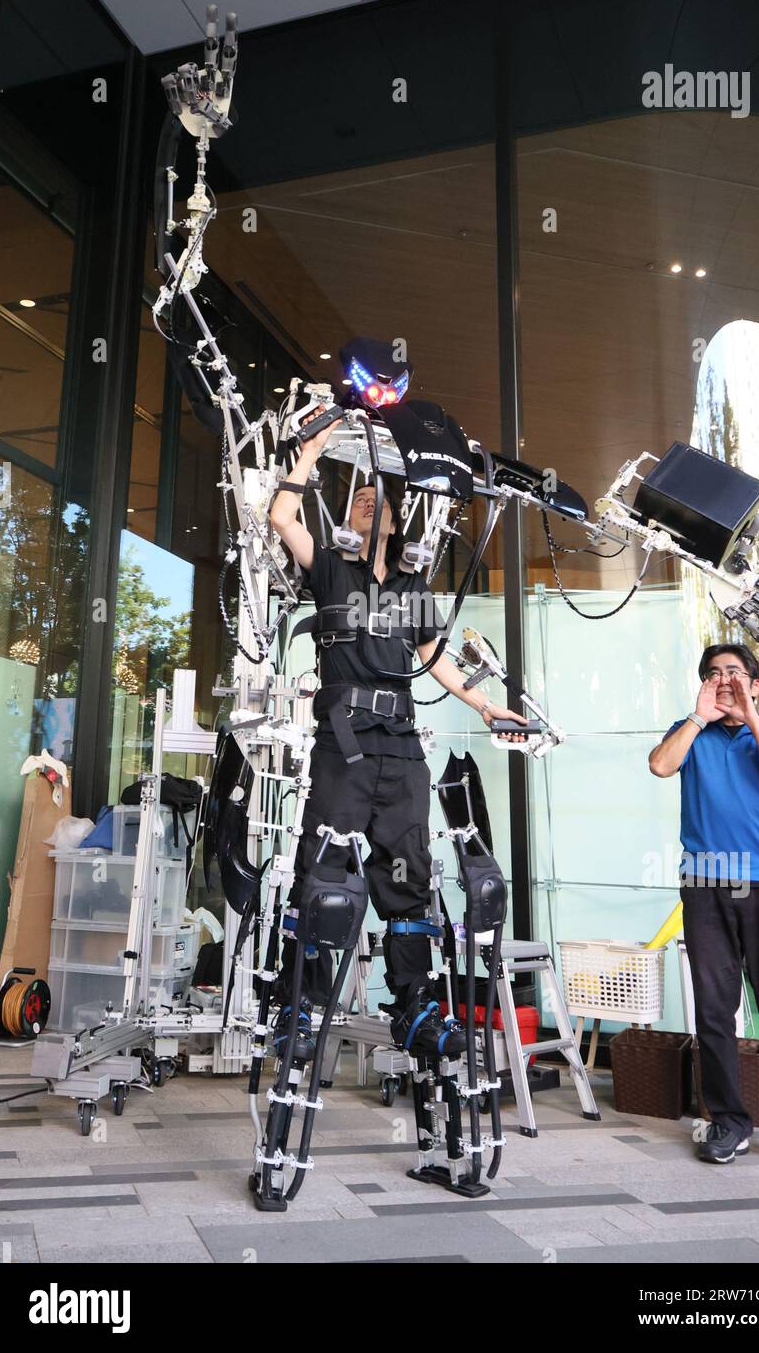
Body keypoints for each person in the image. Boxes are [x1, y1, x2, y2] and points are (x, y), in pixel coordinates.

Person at [268, 418, 526, 1058]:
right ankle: (302, 1003)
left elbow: (436, 658)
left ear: (395, 514)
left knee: (407, 874)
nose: (363, 499)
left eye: (375, 495)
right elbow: (281, 517)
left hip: (402, 747)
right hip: (344, 742)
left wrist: (486, 705)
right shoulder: (329, 568)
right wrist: (312, 453)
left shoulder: (413, 587)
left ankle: (414, 1004)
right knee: (325, 867)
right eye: (356, 495)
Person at [648, 642, 759, 1173]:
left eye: (735, 673)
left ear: (755, 683)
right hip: (704, 886)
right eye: (713, 673)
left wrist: (751, 717)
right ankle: (728, 1121)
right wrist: (699, 720)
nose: (724, 680)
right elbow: (660, 766)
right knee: (714, 1010)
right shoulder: (689, 731)